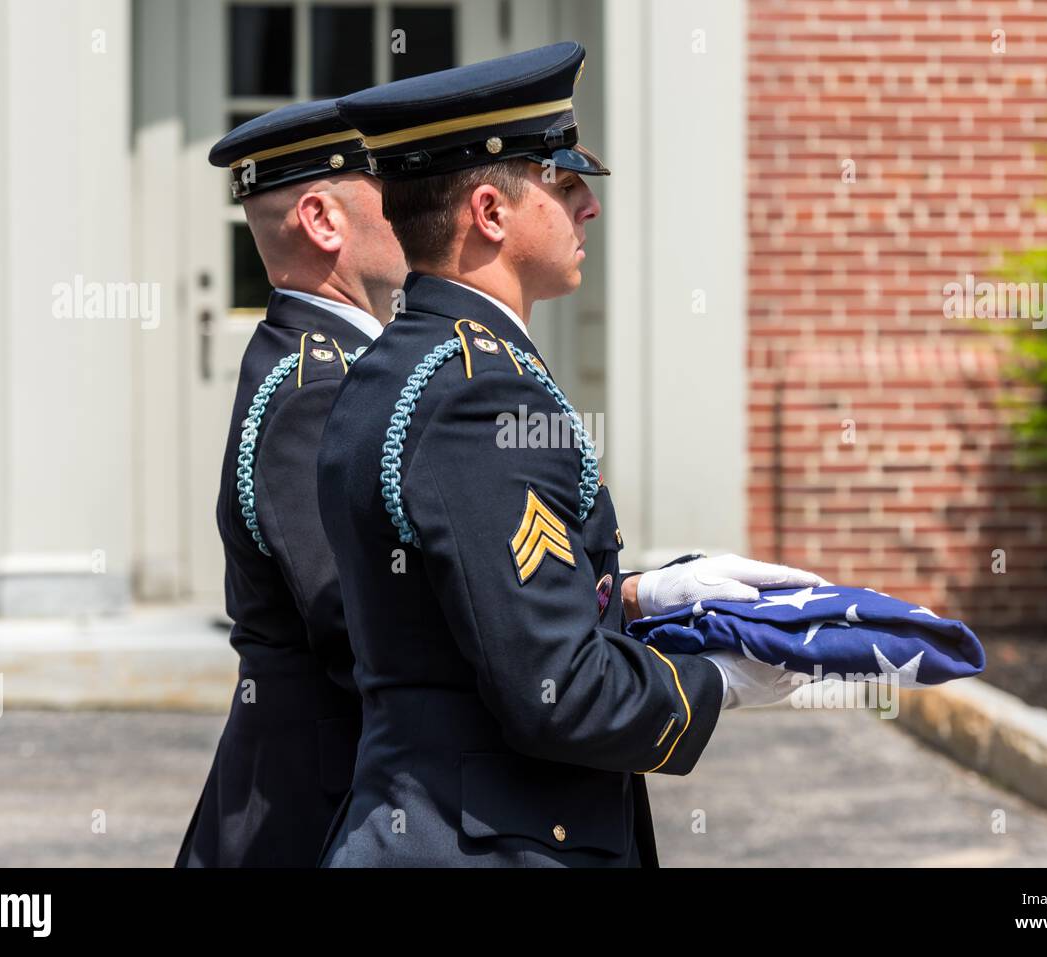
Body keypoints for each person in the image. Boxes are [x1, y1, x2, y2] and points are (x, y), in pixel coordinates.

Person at [315, 42, 824, 867]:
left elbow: (462, 609)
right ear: (490, 212)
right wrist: (715, 679)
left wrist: (631, 598)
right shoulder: (478, 392)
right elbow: (556, 690)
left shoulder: (408, 359)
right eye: (563, 181)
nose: (588, 206)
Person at [175, 98, 407, 866]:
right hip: (309, 807)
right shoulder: (318, 383)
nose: (417, 199)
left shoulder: (333, 362)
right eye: (393, 182)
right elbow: (354, 617)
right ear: (323, 219)